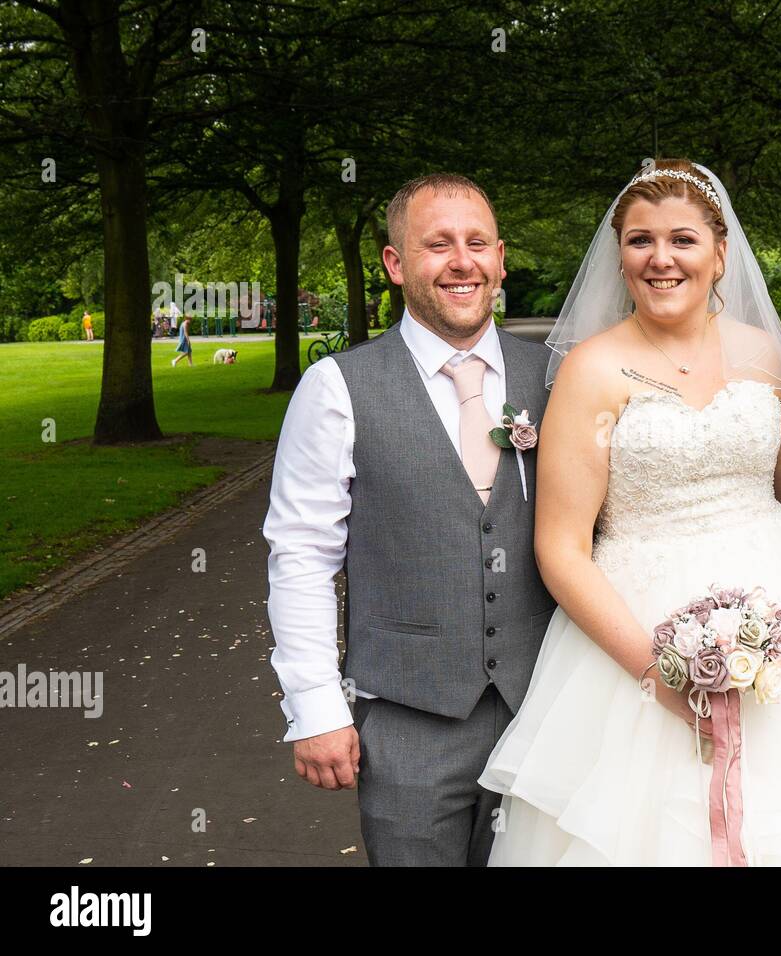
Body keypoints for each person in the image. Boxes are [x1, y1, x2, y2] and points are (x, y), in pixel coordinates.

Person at [477, 160, 781, 866]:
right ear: (619, 255)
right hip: (634, 636)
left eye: (683, 239)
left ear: (721, 254)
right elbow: (561, 549)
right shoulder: (591, 371)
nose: (661, 258)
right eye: (640, 240)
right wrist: (658, 674)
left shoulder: (762, 355)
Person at [263, 173, 555, 866]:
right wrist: (315, 706)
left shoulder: (555, 375)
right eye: (438, 244)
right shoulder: (338, 386)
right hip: (408, 725)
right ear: (396, 265)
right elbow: (301, 553)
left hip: (545, 713)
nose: (462, 261)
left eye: (477, 243)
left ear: (501, 258)